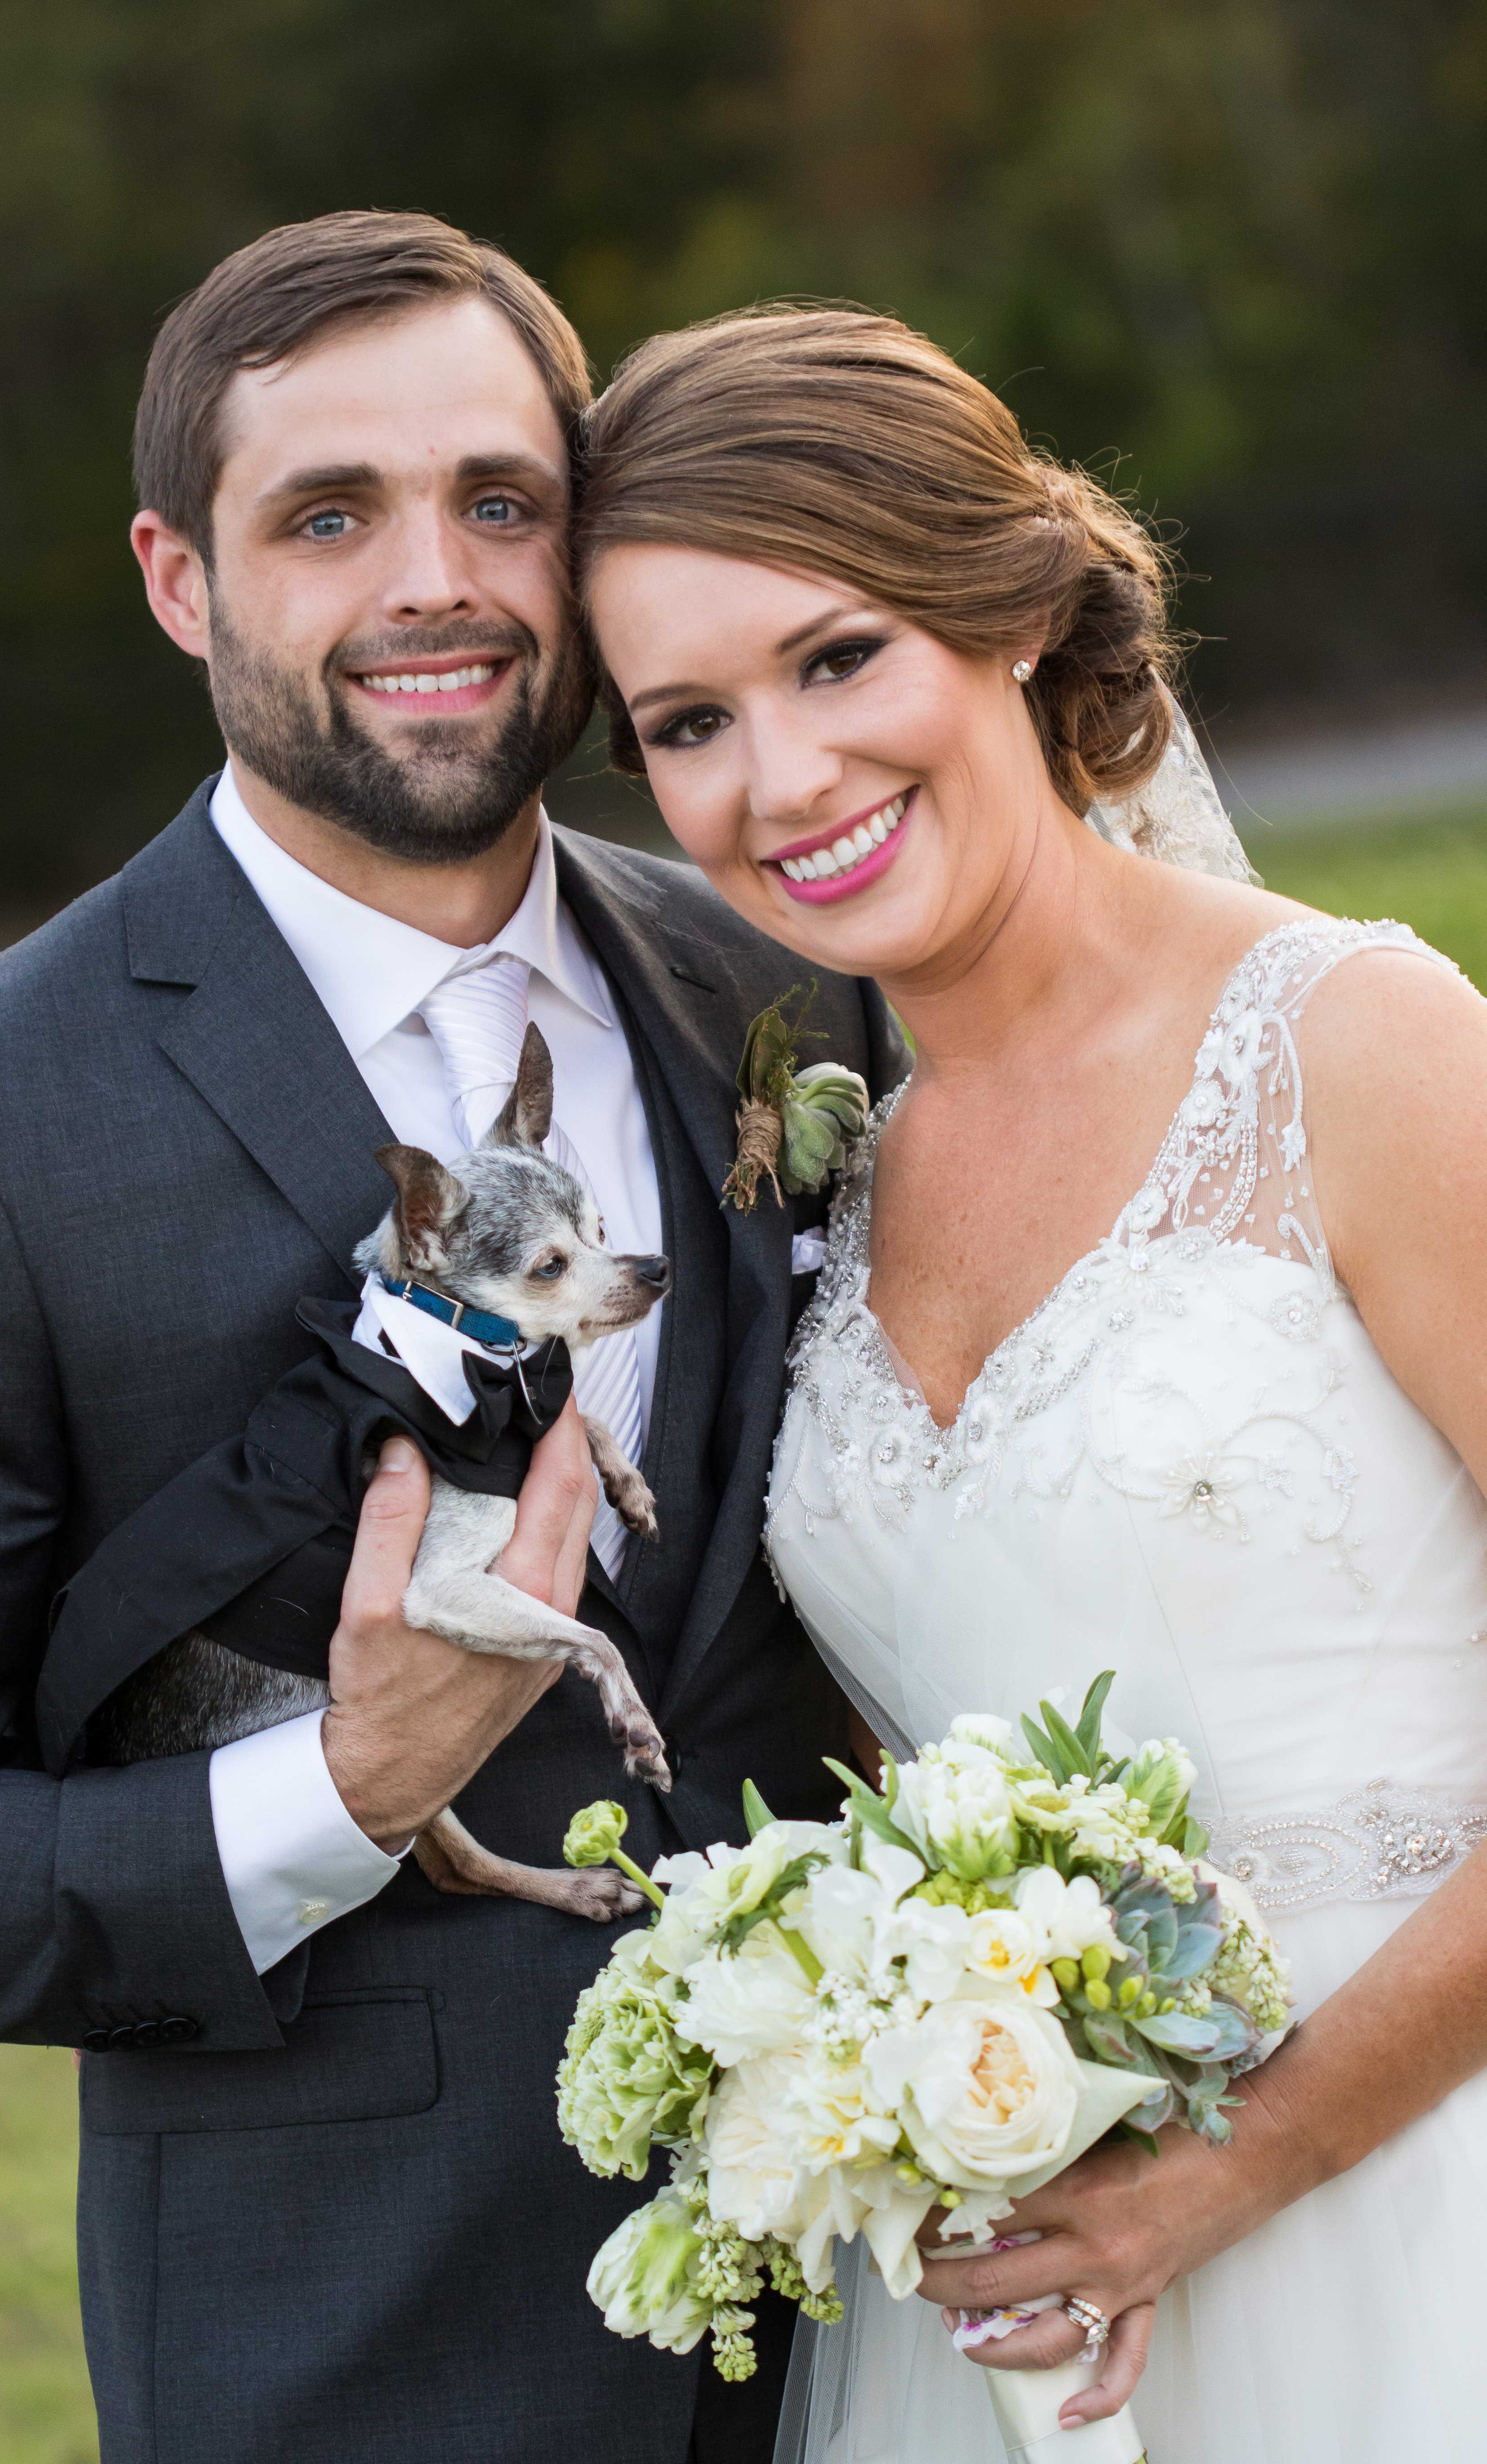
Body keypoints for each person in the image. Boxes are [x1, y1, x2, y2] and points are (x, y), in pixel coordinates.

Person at [0, 221, 907, 2464]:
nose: (436, 581)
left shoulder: (777, 990)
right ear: (178, 578)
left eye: (499, 503)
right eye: (329, 517)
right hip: (366, 2364)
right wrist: (331, 1797)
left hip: (893, 2302)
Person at [576, 303, 1487, 2464]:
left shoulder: (1357, 1049)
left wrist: (1240, 2167)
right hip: (1010, 2309)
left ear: (1008, 616)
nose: (780, 782)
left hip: (1416, 2210)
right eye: (688, 720)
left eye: (836, 658)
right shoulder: (820, 1175)